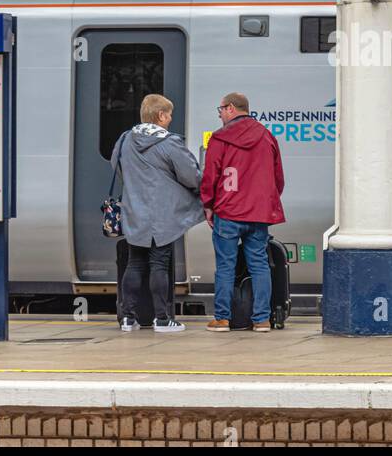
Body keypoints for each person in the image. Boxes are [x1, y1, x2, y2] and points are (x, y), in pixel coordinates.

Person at [110, 94, 205, 333]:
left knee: (135, 263)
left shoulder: (125, 139)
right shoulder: (169, 142)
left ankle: (127, 319)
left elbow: (116, 166)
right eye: (169, 114)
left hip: (134, 211)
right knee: (159, 263)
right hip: (162, 215)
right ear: (161, 116)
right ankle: (162, 319)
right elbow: (191, 176)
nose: (171, 118)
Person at [200, 92, 284, 332]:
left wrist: (208, 204)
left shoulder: (220, 138)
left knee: (225, 266)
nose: (219, 115)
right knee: (259, 264)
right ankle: (261, 320)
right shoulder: (267, 136)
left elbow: (210, 175)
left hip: (228, 211)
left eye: (220, 110)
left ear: (230, 109)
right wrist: (266, 202)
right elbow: (278, 177)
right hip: (258, 213)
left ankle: (223, 319)